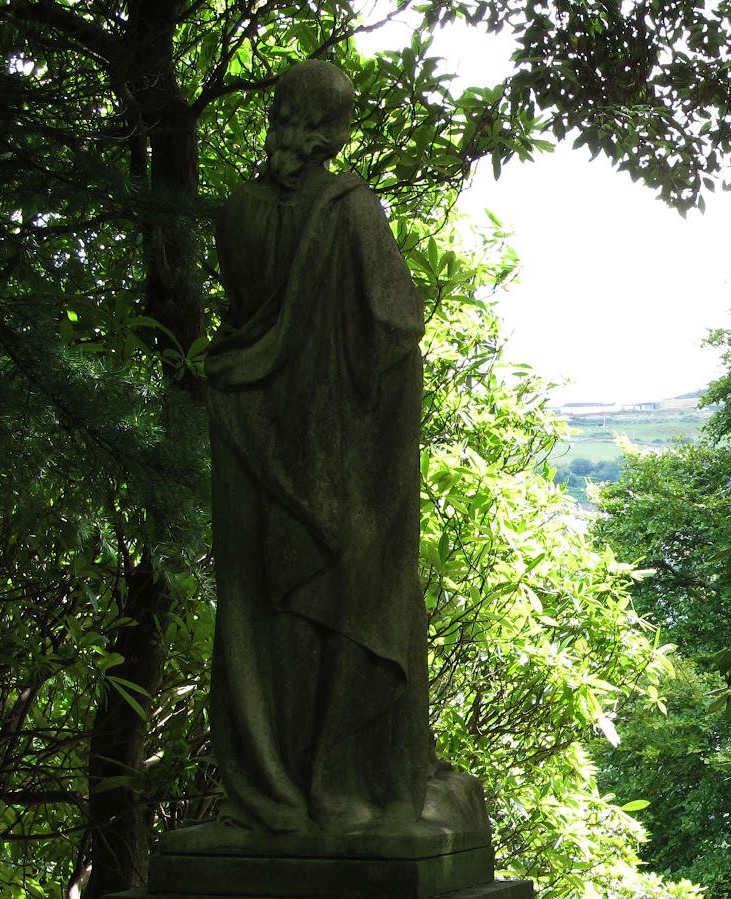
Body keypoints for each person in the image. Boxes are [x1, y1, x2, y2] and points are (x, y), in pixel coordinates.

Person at [205, 59, 436, 834]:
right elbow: (396, 327)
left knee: (261, 607)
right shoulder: (352, 211)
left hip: (249, 432)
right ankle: (343, 783)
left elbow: (245, 313)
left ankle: (273, 783)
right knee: (348, 606)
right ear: (331, 126)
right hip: (336, 456)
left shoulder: (237, 211)